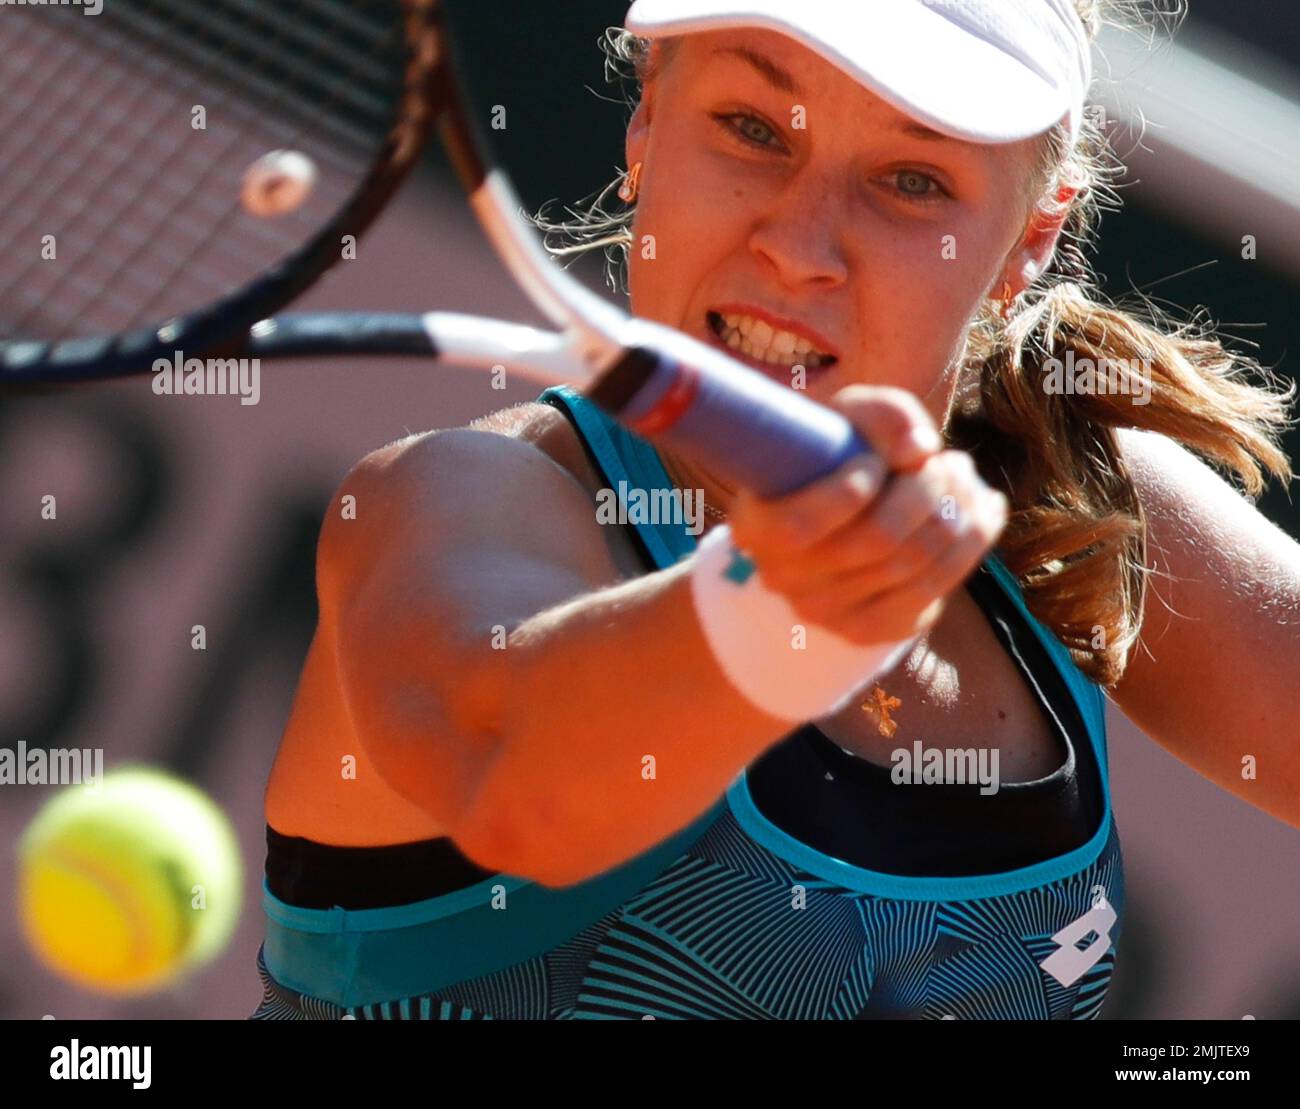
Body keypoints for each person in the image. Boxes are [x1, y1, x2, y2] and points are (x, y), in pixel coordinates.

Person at [251, 0, 1298, 1020]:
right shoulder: (450, 492)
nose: (801, 246)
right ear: (646, 124)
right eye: (752, 128)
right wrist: (781, 608)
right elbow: (513, 782)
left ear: (1028, 239)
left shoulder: (1080, 499)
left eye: (911, 180)